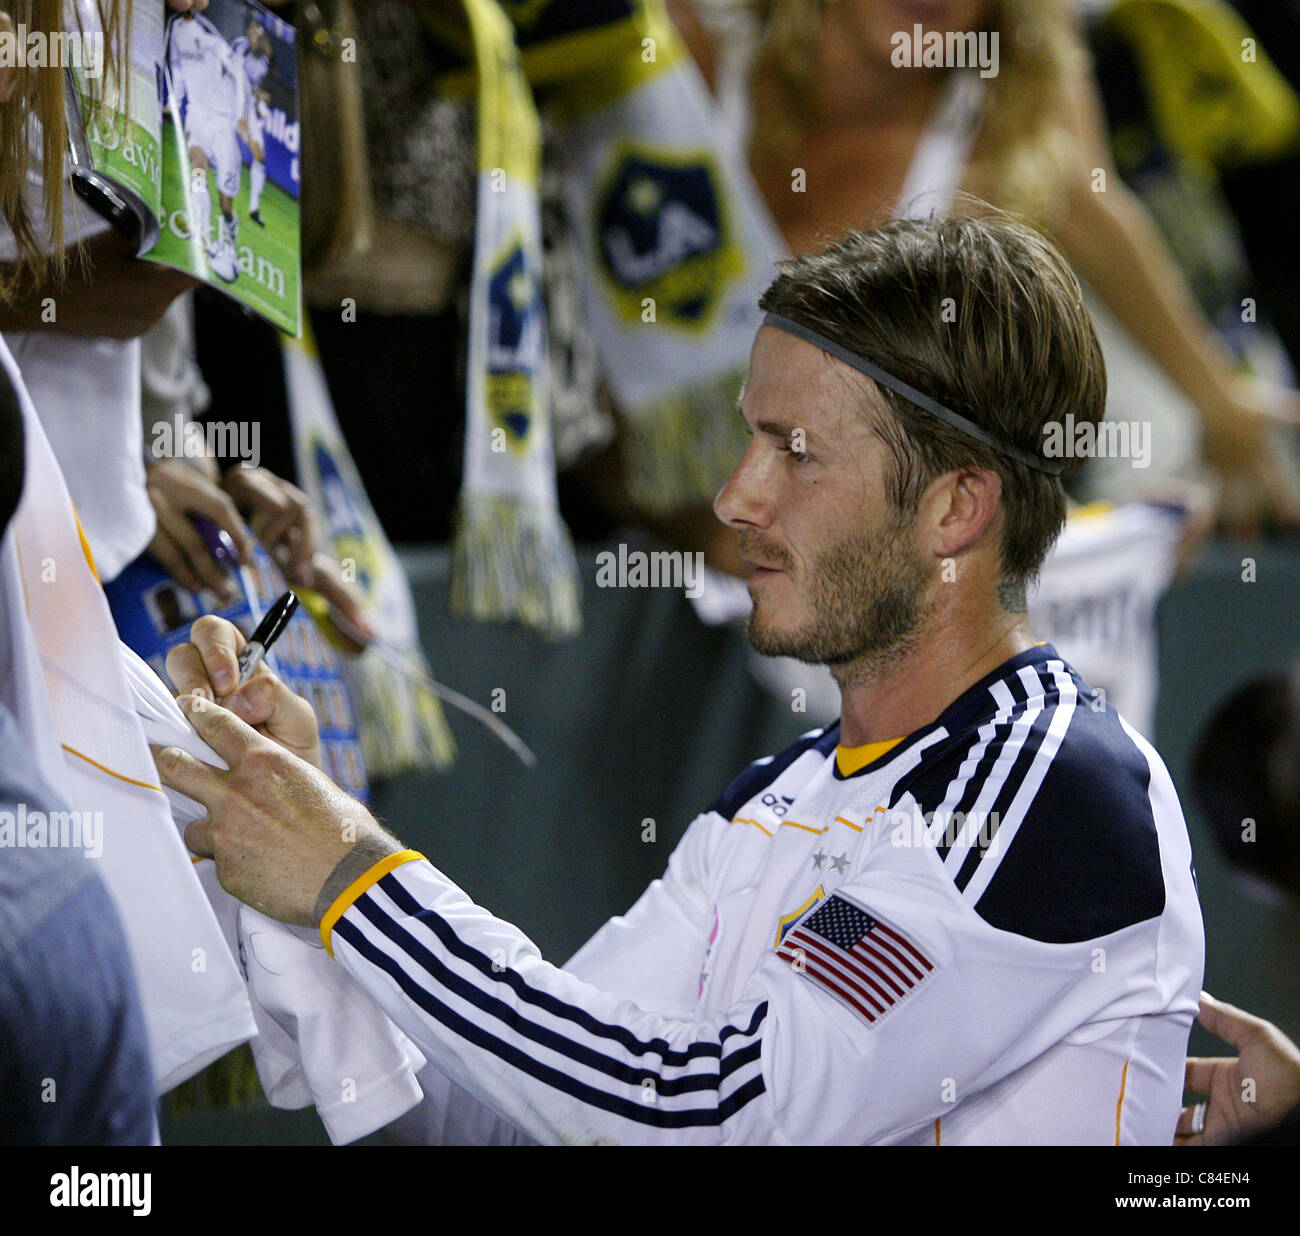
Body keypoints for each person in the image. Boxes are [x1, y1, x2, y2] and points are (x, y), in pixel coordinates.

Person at [153, 211, 1205, 1144]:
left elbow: (705, 1114)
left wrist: (354, 877)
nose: (737, 496)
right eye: (748, 438)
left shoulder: (1044, 788)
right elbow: (522, 1114)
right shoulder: (776, 800)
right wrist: (298, 857)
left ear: (954, 511)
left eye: (795, 452)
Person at [166, 0, 250, 283]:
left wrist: (240, 115)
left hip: (222, 119)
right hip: (197, 115)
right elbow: (177, 67)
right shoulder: (175, 29)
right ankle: (201, 233)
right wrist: (174, 102)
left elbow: (238, 72)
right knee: (198, 168)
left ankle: (229, 231)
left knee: (226, 197)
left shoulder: (211, 35)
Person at [230, 18, 273, 227]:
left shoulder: (263, 61)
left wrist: (257, 99)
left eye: (260, 32)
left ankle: (254, 208)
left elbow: (254, 84)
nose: (256, 35)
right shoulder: (240, 45)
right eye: (254, 30)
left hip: (248, 107)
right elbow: (236, 78)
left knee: (260, 157)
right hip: (229, 101)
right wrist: (258, 93)